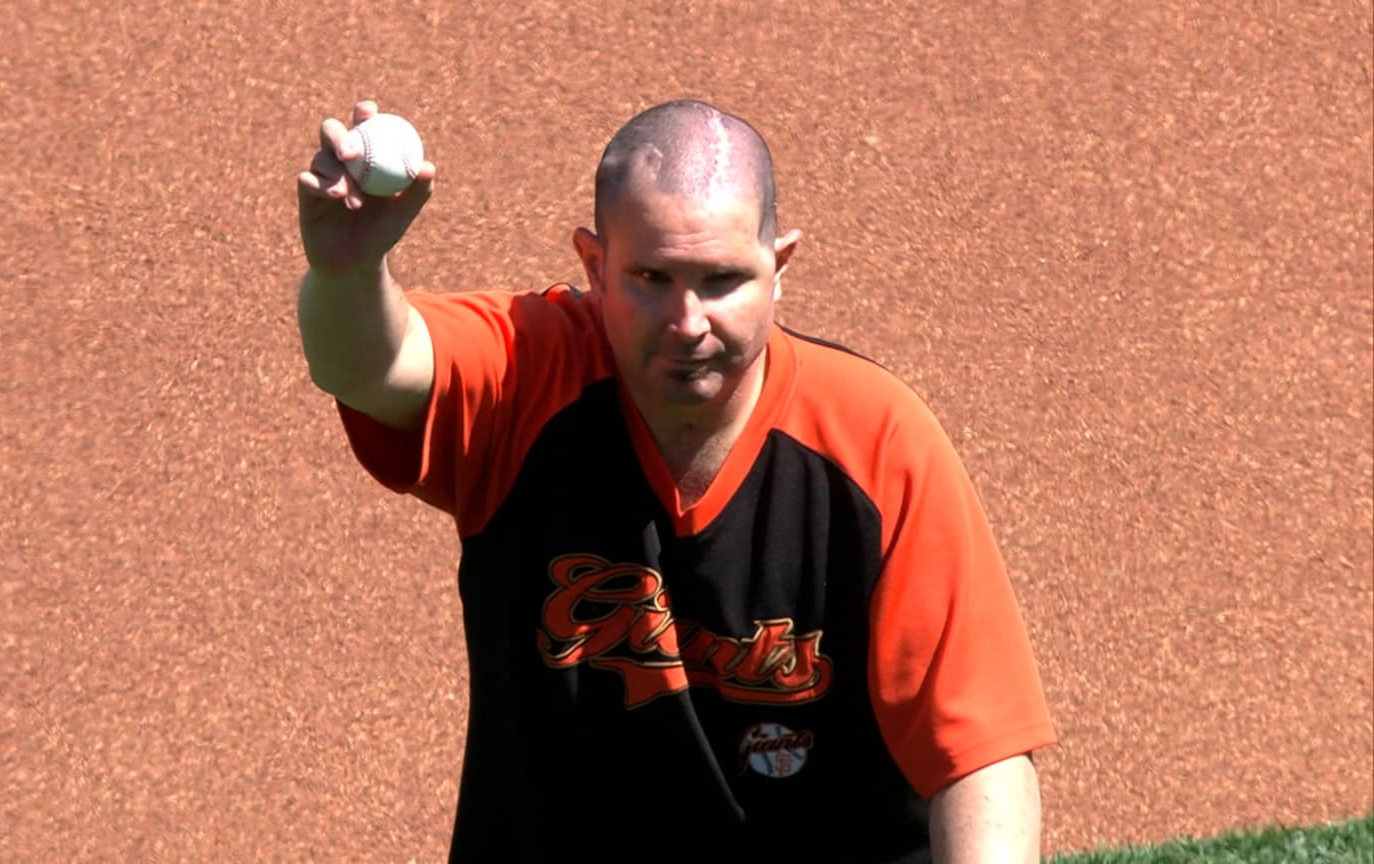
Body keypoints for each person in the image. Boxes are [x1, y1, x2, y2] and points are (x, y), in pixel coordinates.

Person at [295, 98, 1056, 863]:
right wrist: (346, 272)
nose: (688, 322)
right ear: (594, 267)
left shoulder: (874, 442)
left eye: (722, 280)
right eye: (651, 277)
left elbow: (981, 755)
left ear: (779, 269)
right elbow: (371, 367)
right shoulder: (530, 375)